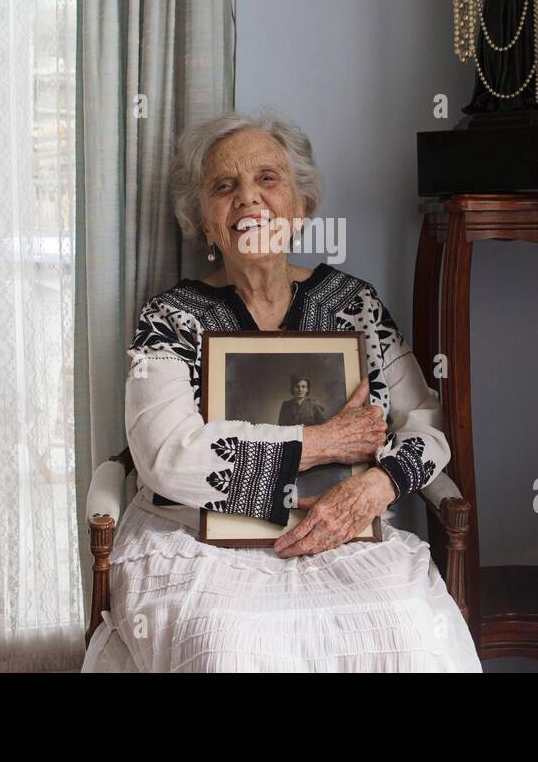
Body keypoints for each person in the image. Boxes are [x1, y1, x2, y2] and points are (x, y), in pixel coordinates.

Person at [82, 110, 481, 672]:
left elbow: (426, 420)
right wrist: (321, 443)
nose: (249, 199)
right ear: (203, 220)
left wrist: (379, 485)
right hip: (197, 538)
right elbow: (167, 457)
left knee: (411, 635)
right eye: (225, 186)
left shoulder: (352, 304)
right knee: (226, 651)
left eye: (267, 179)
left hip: (342, 527)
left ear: (300, 204)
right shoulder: (170, 317)